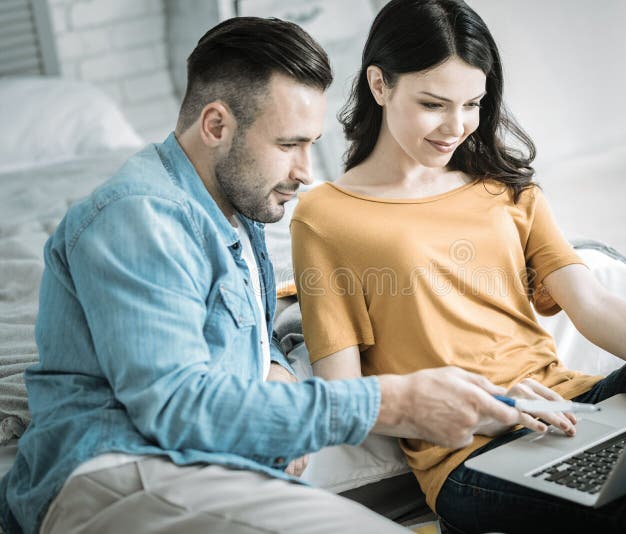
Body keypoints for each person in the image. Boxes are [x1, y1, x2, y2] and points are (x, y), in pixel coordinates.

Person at [0, 16, 525, 534]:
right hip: (121, 464)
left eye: (310, 144)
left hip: (214, 464)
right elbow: (176, 405)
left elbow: (230, 323)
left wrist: (273, 366)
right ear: (216, 126)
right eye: (288, 145)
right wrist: (394, 401)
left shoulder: (233, 204)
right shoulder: (141, 217)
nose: (306, 172)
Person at [291, 1, 626, 532]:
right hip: (471, 457)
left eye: (473, 104)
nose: (457, 126)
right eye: (434, 104)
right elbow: (343, 397)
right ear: (379, 85)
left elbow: (594, 306)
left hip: (572, 406)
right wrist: (496, 403)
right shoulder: (327, 216)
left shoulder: (503, 185)